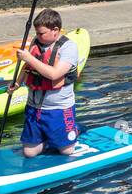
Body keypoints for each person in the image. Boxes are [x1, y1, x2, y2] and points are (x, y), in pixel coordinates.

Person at [11, 9, 82, 157]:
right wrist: (16, 84)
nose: (37, 36)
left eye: (41, 33)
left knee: (66, 151)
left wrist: (29, 58)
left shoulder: (69, 47)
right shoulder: (36, 43)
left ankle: (73, 129)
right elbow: (27, 67)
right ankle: (48, 137)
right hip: (34, 108)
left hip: (58, 108)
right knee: (29, 153)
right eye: (36, 33)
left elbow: (54, 74)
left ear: (55, 30)